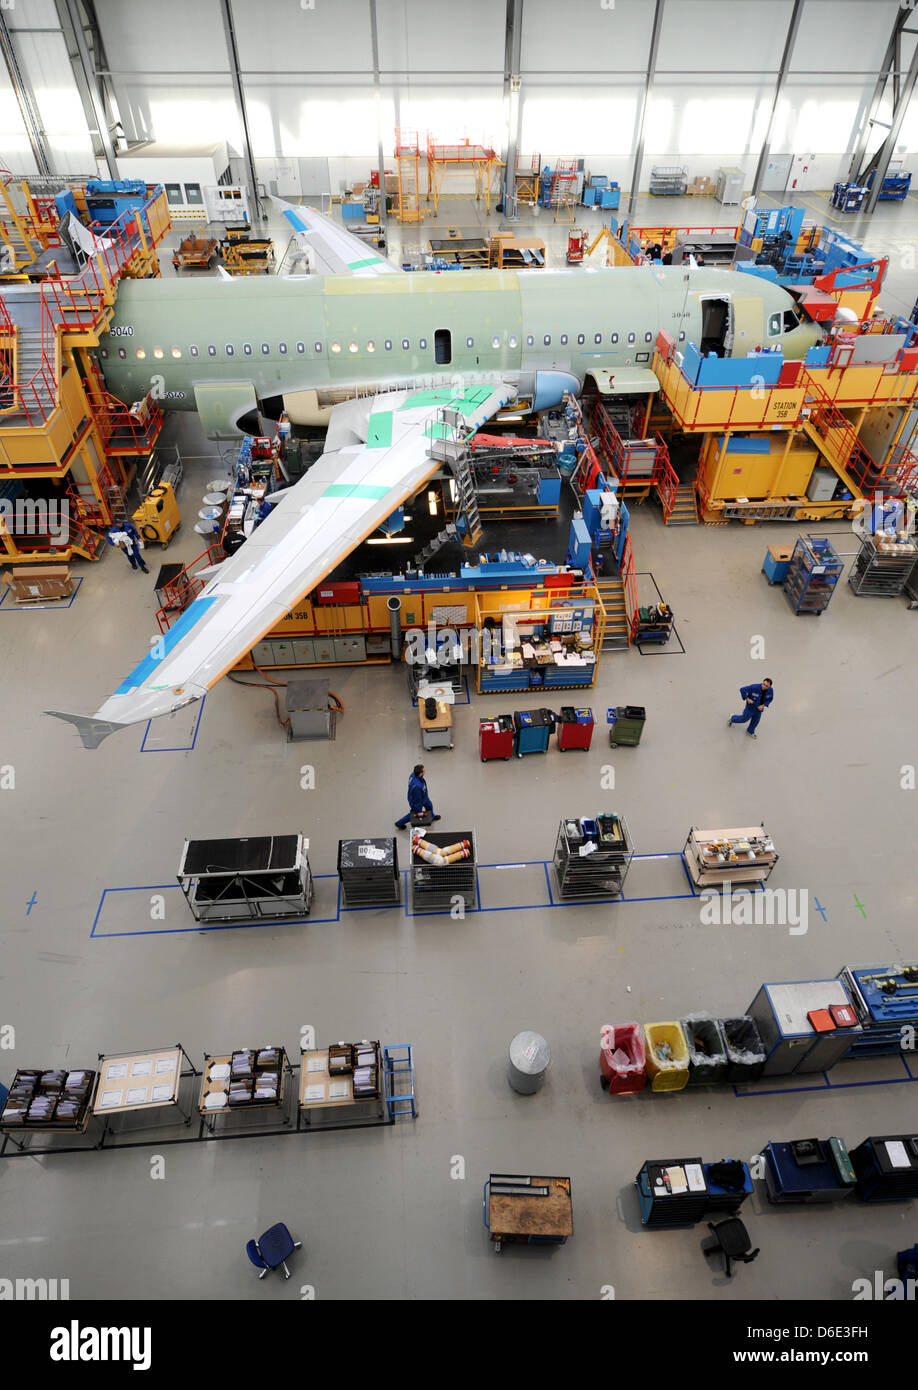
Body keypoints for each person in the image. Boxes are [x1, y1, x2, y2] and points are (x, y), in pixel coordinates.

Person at [395, 764, 441, 829]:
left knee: (429, 805)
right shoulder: (417, 786)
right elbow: (417, 801)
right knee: (414, 813)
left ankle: (432, 817)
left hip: (424, 796)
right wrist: (419, 811)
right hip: (417, 799)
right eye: (424, 771)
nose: (425, 771)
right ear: (420, 774)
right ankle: (399, 823)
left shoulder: (413, 774)